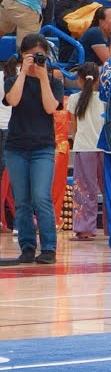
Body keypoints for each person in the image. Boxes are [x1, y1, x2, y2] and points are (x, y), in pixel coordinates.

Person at [3, 34, 62, 264]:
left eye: (41, 56)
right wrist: (23, 73)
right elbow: (13, 100)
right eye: (32, 56)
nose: (37, 60)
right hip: (16, 147)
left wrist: (43, 77)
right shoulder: (12, 79)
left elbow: (50, 108)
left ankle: (48, 247)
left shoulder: (54, 82)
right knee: (22, 201)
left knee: (41, 197)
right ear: (22, 56)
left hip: (42, 147)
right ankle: (27, 246)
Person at [68, 61, 105, 240]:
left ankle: (85, 229)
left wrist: (76, 143)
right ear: (98, 80)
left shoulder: (74, 99)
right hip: (105, 149)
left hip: (84, 148)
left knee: (84, 190)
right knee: (109, 190)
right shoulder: (104, 99)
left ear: (80, 80)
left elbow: (73, 128)